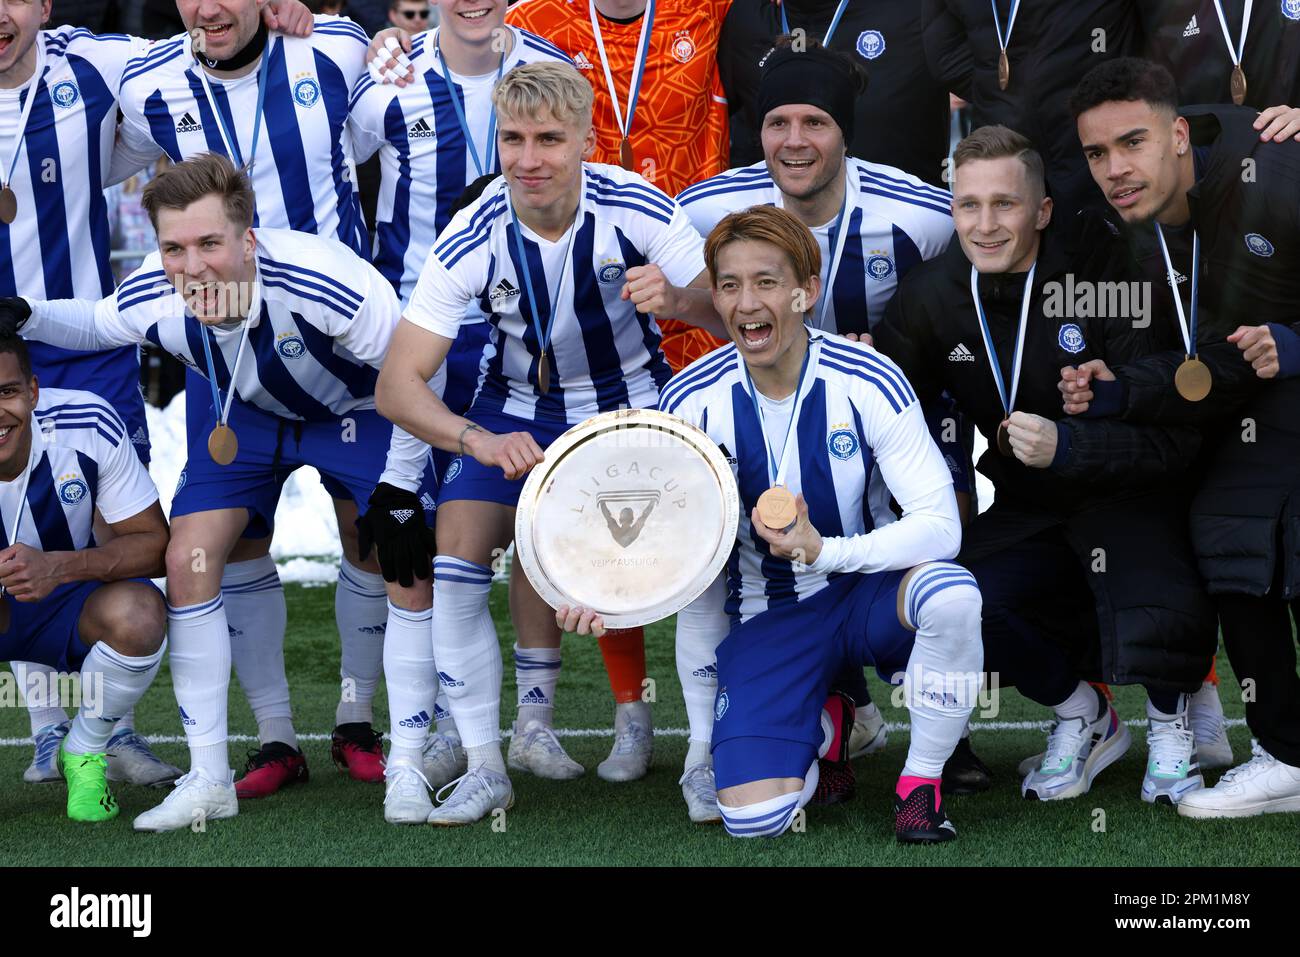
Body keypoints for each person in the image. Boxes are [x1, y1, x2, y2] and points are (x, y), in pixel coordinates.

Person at [4, 152, 433, 831]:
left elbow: (413, 375)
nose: (193, 265)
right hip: (246, 415)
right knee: (188, 558)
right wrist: (24, 312)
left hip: (358, 408)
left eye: (209, 243)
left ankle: (401, 755)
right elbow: (94, 321)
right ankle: (216, 775)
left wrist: (405, 486)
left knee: (400, 555)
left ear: (248, 239)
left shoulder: (333, 285)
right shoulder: (156, 288)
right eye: (174, 247)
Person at [374, 61, 726, 825]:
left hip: (628, 412)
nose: (528, 158)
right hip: (516, 416)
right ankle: (486, 764)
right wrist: (475, 437)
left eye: (548, 139)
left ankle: (704, 756)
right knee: (457, 545)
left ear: (586, 142)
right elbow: (397, 386)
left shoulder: (637, 206)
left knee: (701, 555)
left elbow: (741, 318)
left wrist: (684, 300)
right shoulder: (472, 231)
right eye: (512, 139)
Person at [567, 204, 984, 842]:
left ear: (804, 292)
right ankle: (827, 723)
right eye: (728, 285)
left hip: (868, 590)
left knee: (953, 595)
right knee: (752, 819)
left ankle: (919, 785)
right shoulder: (688, 400)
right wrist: (603, 596)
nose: (745, 301)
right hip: (771, 612)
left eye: (765, 282)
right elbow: (666, 548)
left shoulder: (868, 379)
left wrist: (828, 552)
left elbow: (940, 527)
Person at [0, 0, 310, 789]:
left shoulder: (99, 66)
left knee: (103, 522)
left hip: (83, 336)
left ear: (43, 5)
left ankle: (105, 725)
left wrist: (280, 14)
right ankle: (47, 728)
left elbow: (211, 44)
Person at [876, 123, 1219, 806]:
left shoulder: (1100, 276)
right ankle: (1081, 713)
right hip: (1031, 503)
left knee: (1152, 562)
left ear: (1042, 209)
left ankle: (1171, 724)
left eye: (1005, 204)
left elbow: (1170, 428)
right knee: (948, 597)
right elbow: (888, 406)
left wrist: (1073, 438)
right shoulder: (932, 294)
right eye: (968, 205)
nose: (985, 223)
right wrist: (940, 482)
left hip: (1130, 488)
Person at [112, 0, 400, 796]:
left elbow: (408, 122)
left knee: (371, 535)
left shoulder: (337, 47)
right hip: (222, 351)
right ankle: (275, 738)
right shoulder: (141, 77)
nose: (209, 8)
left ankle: (355, 718)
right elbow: (67, 137)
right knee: (221, 543)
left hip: (337, 352)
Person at [674, 41, 959, 809]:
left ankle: (936, 752)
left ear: (846, 132)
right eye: (775, 122)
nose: (793, 140)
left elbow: (977, 290)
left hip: (886, 433)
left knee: (953, 586)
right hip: (761, 443)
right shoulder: (704, 209)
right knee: (753, 813)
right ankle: (814, 719)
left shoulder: (923, 213)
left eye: (814, 121)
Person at [1061, 57, 1300, 817]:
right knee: (1226, 524)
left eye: (1132, 143)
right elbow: (1199, 362)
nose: (1115, 169)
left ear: (1178, 134)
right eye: (1097, 153)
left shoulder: (1279, 168)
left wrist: (1296, 343)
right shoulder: (1115, 227)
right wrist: (1115, 385)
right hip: (1244, 397)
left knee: (1248, 514)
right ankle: (1287, 752)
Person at [348, 0, 572, 789]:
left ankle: (534, 722)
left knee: (534, 511)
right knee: (422, 531)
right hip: (422, 325)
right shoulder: (384, 73)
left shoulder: (551, 63)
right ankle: (449, 723)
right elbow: (347, 173)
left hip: (522, 318)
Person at [0, 334, 169, 823]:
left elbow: (155, 545)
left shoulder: (86, 422)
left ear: (33, 390)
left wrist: (59, 567)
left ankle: (85, 749)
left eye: (7, 392)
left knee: (138, 615)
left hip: (68, 601)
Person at [718, 0, 952, 184]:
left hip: (902, 234)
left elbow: (986, 89)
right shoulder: (740, 16)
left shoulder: (918, 9)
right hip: (777, 232)